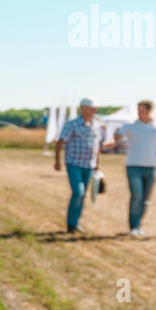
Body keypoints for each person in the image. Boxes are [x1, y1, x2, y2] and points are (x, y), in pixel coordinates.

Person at [110, 100, 156, 237]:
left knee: (145, 199)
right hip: (133, 166)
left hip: (151, 167)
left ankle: (139, 224)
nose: (139, 113)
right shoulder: (130, 126)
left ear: (149, 111)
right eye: (138, 110)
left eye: (141, 110)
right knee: (136, 196)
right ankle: (133, 226)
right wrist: (112, 140)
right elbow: (116, 139)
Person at [53, 97, 103, 234]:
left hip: (89, 165)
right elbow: (60, 142)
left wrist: (97, 162)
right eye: (92, 108)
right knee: (78, 192)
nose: (94, 111)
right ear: (83, 108)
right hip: (73, 163)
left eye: (95, 108)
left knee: (82, 195)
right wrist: (57, 161)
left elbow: (96, 145)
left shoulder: (96, 125)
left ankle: (75, 223)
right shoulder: (72, 124)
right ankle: (71, 223)